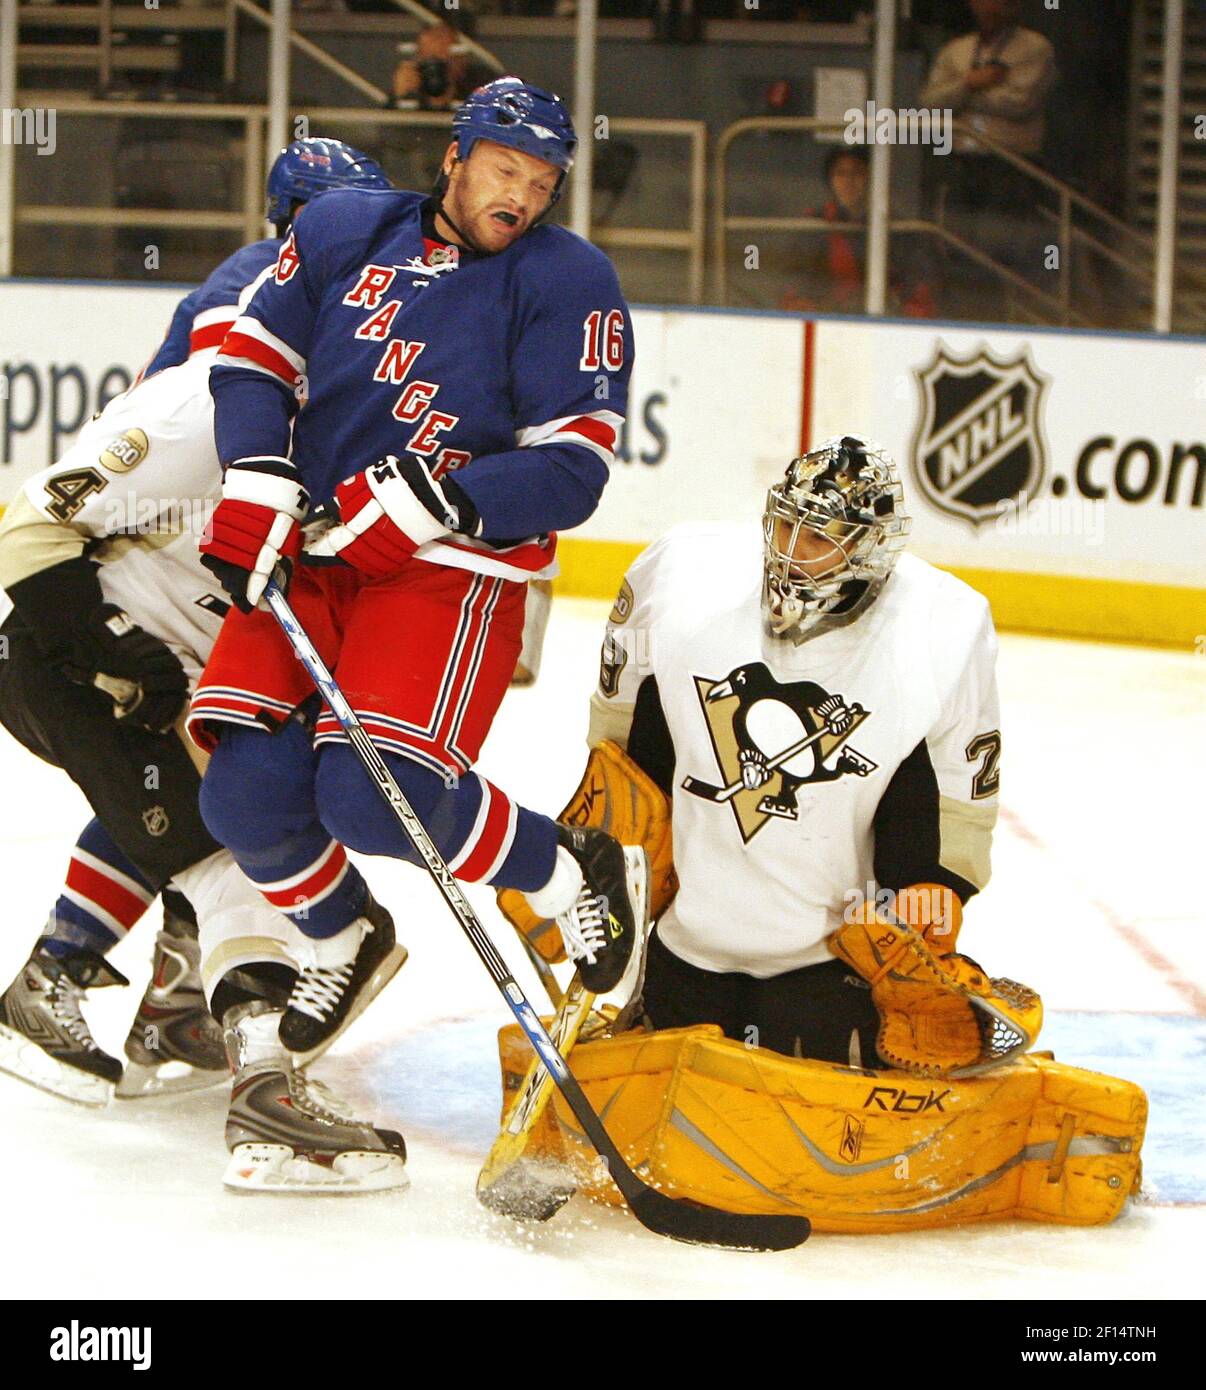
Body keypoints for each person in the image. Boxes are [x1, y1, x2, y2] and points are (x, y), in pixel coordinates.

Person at [189, 78, 644, 1192]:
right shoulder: (346, 228)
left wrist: (447, 497)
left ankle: (563, 860)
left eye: (542, 184)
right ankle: (340, 933)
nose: (522, 198)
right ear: (456, 156)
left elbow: (575, 467)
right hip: (319, 551)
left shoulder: (570, 279)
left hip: (453, 569)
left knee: (366, 789)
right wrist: (257, 466)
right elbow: (256, 362)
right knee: (240, 788)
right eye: (505, 172)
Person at [0, 139, 393, 1117]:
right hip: (82, 657)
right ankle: (250, 1062)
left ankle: (76, 983)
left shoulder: (351, 401)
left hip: (193, 667)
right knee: (228, 841)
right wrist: (105, 649)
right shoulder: (218, 389)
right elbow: (33, 519)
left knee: (211, 806)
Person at [585, 435, 1008, 1064]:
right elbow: (624, 723)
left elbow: (952, 789)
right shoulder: (681, 576)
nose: (787, 552)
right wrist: (605, 839)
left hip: (827, 961)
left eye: (816, 537)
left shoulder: (942, 627)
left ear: (869, 549)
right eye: (783, 525)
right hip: (689, 944)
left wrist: (930, 885)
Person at [920, 0, 1057, 313]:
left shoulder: (1035, 48)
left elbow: (1021, 102)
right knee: (956, 245)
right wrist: (971, 82)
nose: (990, 7)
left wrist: (960, 95)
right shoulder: (956, 50)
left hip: (1010, 163)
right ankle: (960, 312)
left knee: (1002, 248)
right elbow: (929, 101)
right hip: (962, 161)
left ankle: (1000, 316)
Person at [780, 146, 936, 318]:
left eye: (857, 173)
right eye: (840, 173)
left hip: (885, 318)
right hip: (828, 319)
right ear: (830, 180)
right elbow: (796, 279)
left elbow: (918, 282)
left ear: (872, 178)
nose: (849, 181)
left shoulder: (898, 229)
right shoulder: (815, 225)